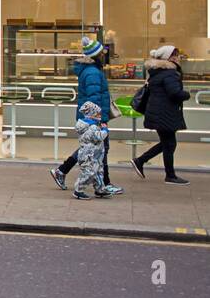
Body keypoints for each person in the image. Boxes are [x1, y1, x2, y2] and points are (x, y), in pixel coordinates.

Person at [50, 36, 122, 195]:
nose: (105, 55)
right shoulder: (93, 73)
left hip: (91, 117)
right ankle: (104, 184)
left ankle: (62, 171)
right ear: (97, 55)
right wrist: (99, 120)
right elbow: (94, 98)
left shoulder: (91, 71)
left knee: (90, 148)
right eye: (102, 53)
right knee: (99, 148)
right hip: (93, 118)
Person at [132, 44, 192, 185]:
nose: (178, 58)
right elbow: (174, 93)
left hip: (159, 113)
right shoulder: (169, 73)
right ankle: (169, 176)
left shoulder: (157, 72)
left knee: (168, 143)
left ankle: (140, 161)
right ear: (168, 58)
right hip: (164, 113)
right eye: (175, 55)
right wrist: (186, 94)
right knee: (169, 144)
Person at [71, 101, 111, 200]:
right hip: (89, 155)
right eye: (98, 114)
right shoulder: (92, 127)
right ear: (91, 114)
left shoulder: (89, 125)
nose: (100, 115)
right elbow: (98, 137)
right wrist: (105, 130)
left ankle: (100, 189)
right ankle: (78, 190)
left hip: (95, 155)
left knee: (98, 172)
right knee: (88, 172)